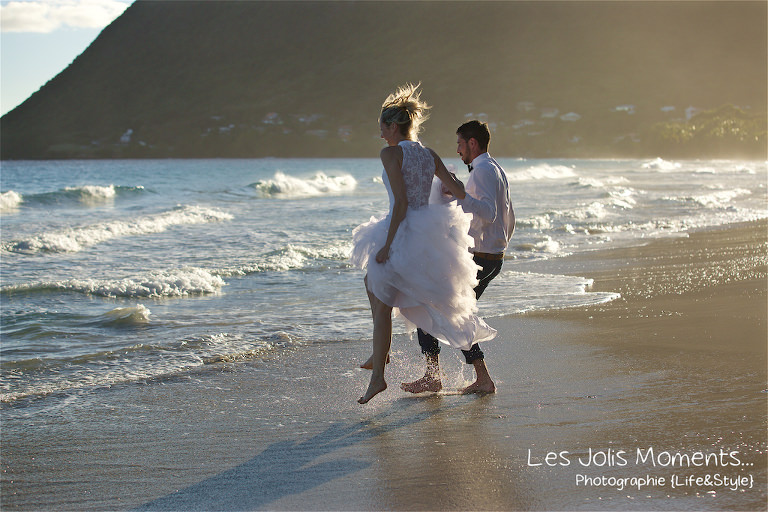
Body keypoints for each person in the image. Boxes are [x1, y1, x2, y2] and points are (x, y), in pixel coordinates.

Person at [350, 85, 497, 404]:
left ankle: (378, 375)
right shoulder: (428, 154)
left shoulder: (390, 153)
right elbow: (457, 189)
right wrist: (452, 193)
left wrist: (387, 245)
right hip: (428, 233)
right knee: (375, 287)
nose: (380, 134)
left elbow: (400, 201)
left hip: (404, 231)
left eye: (382, 127)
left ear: (392, 126)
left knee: (382, 297)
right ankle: (381, 358)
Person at [401, 120, 515, 395]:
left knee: (437, 308)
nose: (458, 150)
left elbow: (488, 213)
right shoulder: (493, 168)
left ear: (472, 143)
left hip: (482, 257)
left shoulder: (484, 171)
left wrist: (459, 193)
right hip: (490, 255)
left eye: (460, 144)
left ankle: (443, 376)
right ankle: (443, 375)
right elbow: (508, 216)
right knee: (447, 310)